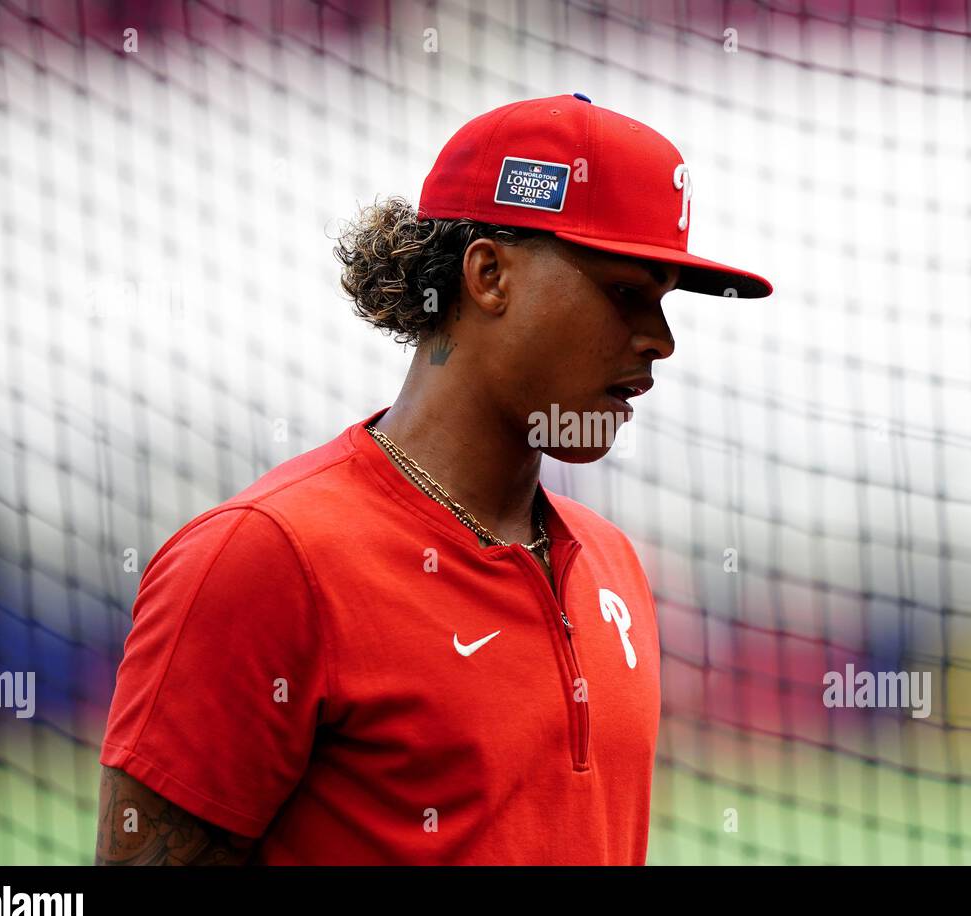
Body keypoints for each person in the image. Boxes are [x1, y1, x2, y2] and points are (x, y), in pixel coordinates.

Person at [95, 92, 772, 865]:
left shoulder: (613, 563)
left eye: (664, 300)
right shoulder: (267, 556)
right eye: (625, 292)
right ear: (488, 275)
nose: (661, 340)